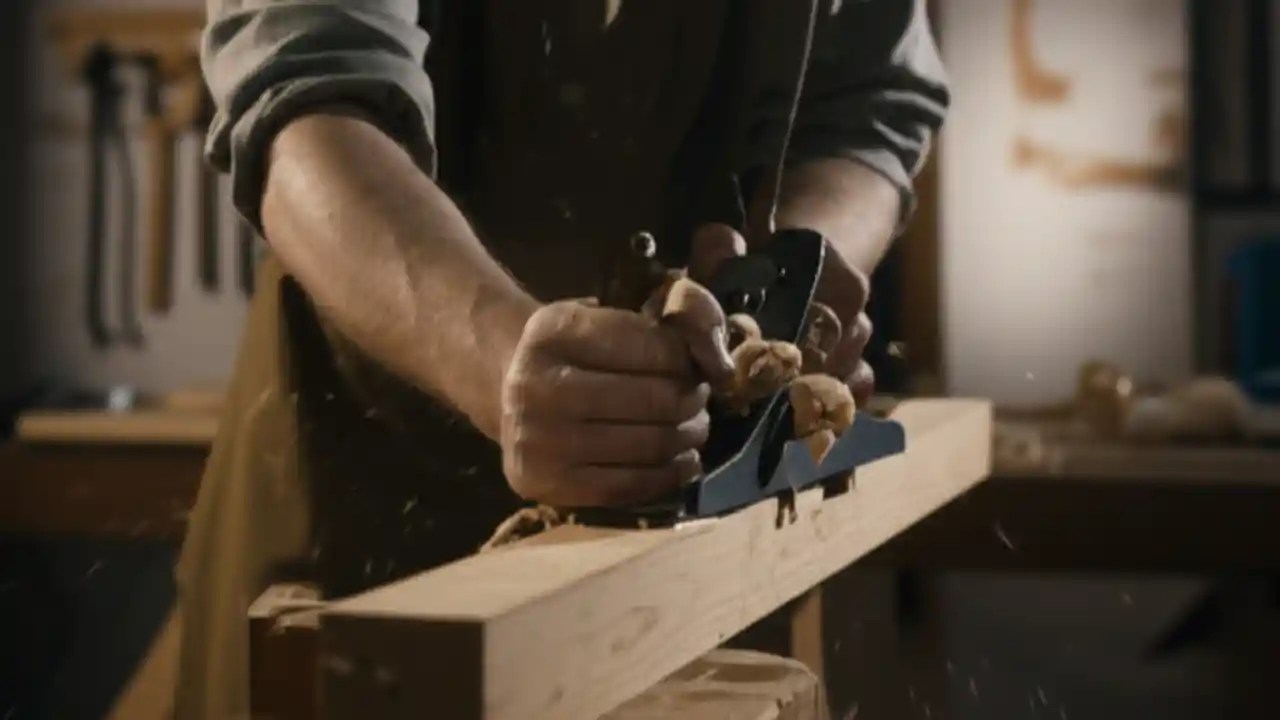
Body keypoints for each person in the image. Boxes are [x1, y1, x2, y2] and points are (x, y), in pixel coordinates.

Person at [171, 0, 948, 716]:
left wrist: (788, 290)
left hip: (686, 564)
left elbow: (870, 109)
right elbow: (307, 105)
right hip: (357, 503)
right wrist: (498, 355)